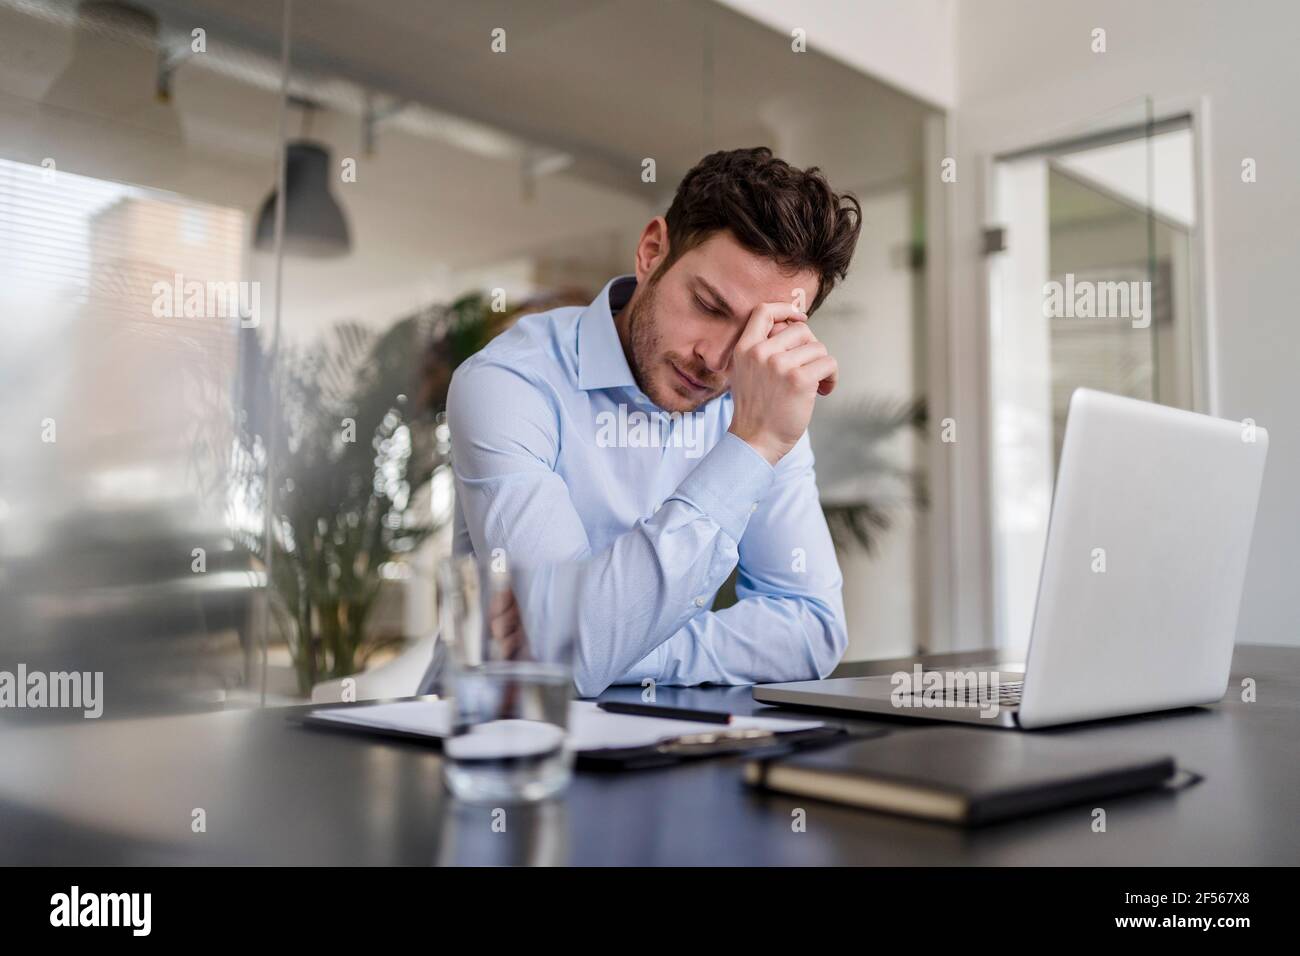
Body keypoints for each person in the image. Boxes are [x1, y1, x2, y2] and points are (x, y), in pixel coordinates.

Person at [441, 146, 863, 697]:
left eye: (758, 335)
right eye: (710, 306)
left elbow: (813, 629)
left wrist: (623, 642)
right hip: (497, 749)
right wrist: (751, 447)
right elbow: (566, 659)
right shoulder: (509, 382)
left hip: (664, 745)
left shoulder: (762, 408)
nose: (716, 359)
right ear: (651, 252)